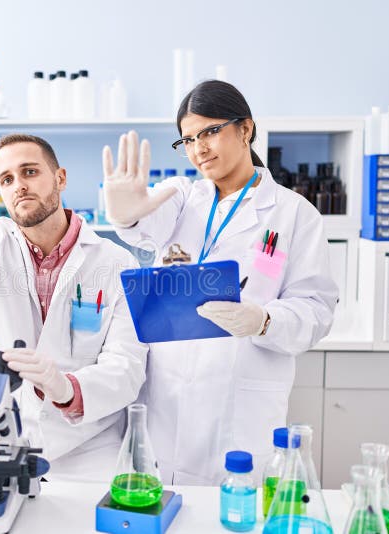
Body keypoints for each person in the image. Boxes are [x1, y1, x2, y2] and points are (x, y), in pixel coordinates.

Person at [102, 80, 338, 485]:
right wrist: (125, 215)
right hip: (166, 399)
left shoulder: (294, 214)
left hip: (238, 407)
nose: (199, 149)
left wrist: (263, 320)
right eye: (188, 139)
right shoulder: (180, 197)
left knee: (231, 514)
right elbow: (144, 223)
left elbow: (317, 309)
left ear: (245, 129)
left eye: (210, 131)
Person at [0, 134, 147, 481]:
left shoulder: (117, 262)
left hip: (88, 443)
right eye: (7, 179)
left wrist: (66, 387)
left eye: (30, 171)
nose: (18, 186)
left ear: (60, 178)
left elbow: (127, 366)